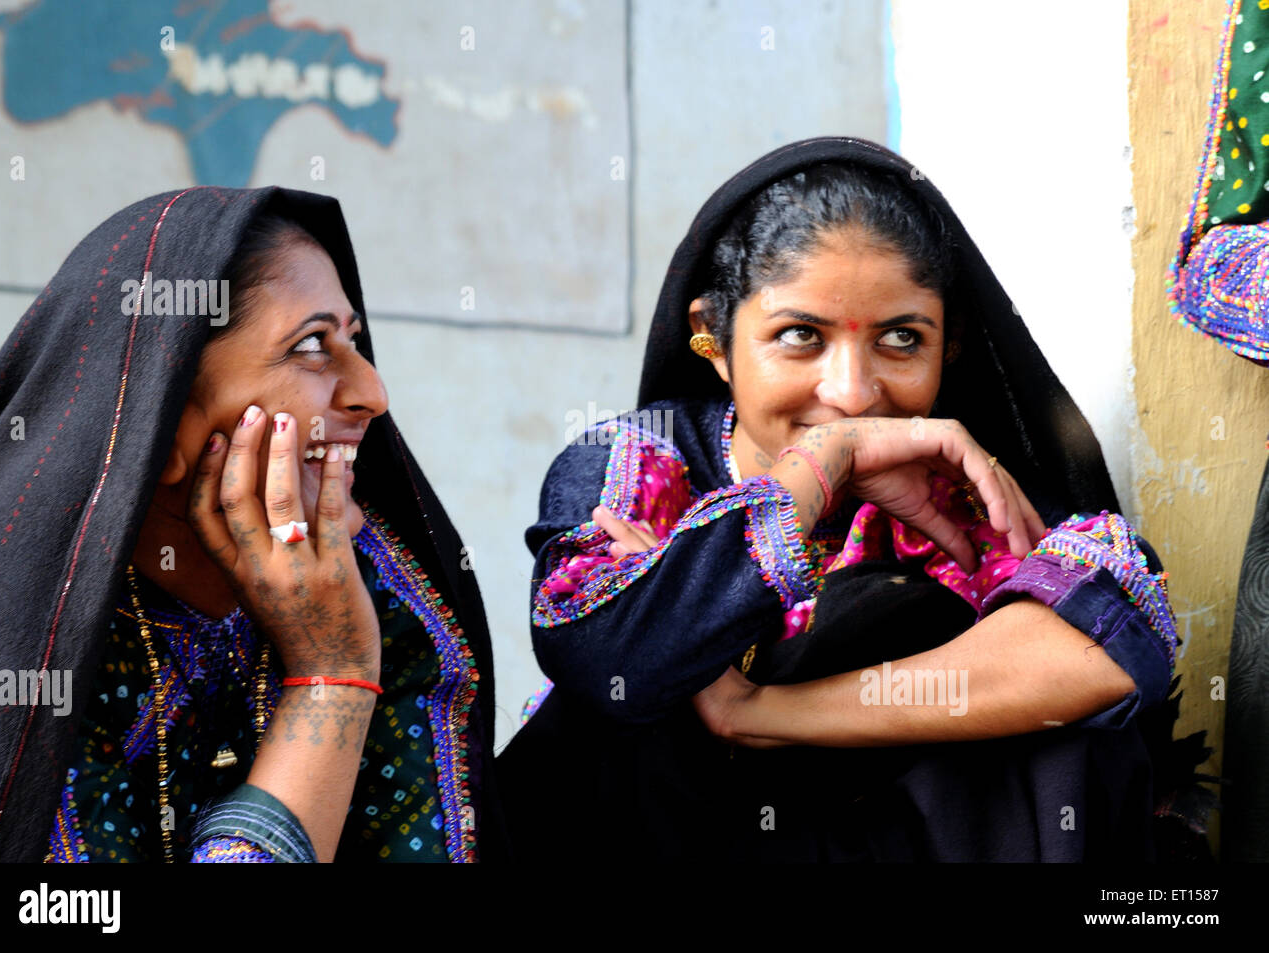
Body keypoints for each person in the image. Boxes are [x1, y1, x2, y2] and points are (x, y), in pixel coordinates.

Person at [498, 137, 1191, 861]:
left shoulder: (974, 486)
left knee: (1069, 744)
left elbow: (1108, 649)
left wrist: (759, 712)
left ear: (948, 346)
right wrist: (825, 465)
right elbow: (604, 659)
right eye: (799, 336)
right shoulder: (642, 464)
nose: (854, 392)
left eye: (901, 338)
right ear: (712, 337)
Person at [0, 187, 506, 862]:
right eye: (312, 345)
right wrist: (332, 676)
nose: (372, 392)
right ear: (159, 423)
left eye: (353, 339)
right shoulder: (21, 644)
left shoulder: (368, 592)